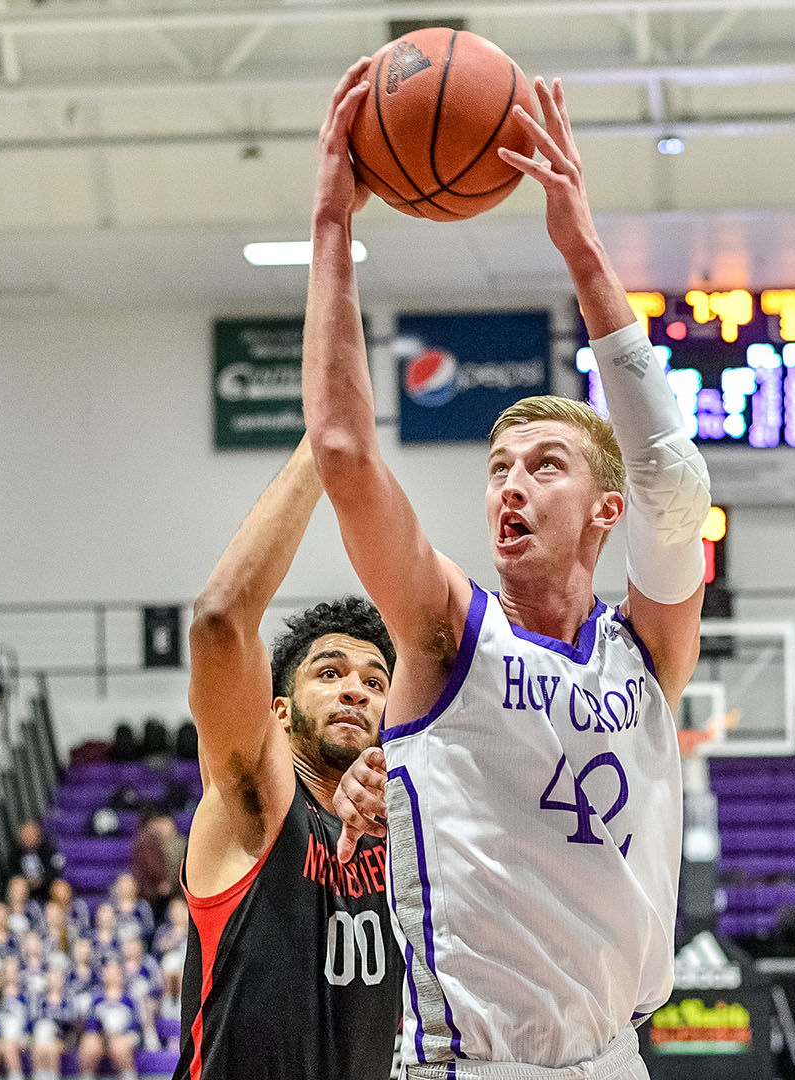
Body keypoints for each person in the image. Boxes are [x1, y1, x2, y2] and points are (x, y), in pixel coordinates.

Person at [307, 65, 708, 1077]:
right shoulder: (449, 630)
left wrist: (580, 245)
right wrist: (331, 231)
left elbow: (672, 477)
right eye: (496, 469)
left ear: (604, 511)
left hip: (617, 1055)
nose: (509, 487)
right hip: (476, 1066)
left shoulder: (648, 655)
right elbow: (347, 459)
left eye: (544, 465)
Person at [171, 434, 401, 1079]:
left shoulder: (406, 827)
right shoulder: (260, 807)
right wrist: (323, 446)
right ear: (276, 712)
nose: (356, 687)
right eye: (329, 673)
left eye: (375, 680)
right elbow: (220, 621)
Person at [127, 811, 185, 922]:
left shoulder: (180, 843)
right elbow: (149, 866)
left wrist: (170, 883)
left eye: (166, 824)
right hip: (153, 892)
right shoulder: (149, 842)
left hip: (176, 890)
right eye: (161, 824)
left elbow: (181, 866)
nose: (162, 827)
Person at [11, 822, 63, 904]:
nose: (29, 837)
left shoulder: (48, 850)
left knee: (60, 887)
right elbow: (12, 874)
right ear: (21, 838)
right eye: (26, 834)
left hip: (46, 886)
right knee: (18, 885)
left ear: (39, 836)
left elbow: (53, 871)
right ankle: (18, 915)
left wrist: (40, 882)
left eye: (32, 834)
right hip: (26, 888)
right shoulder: (15, 854)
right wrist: (27, 881)